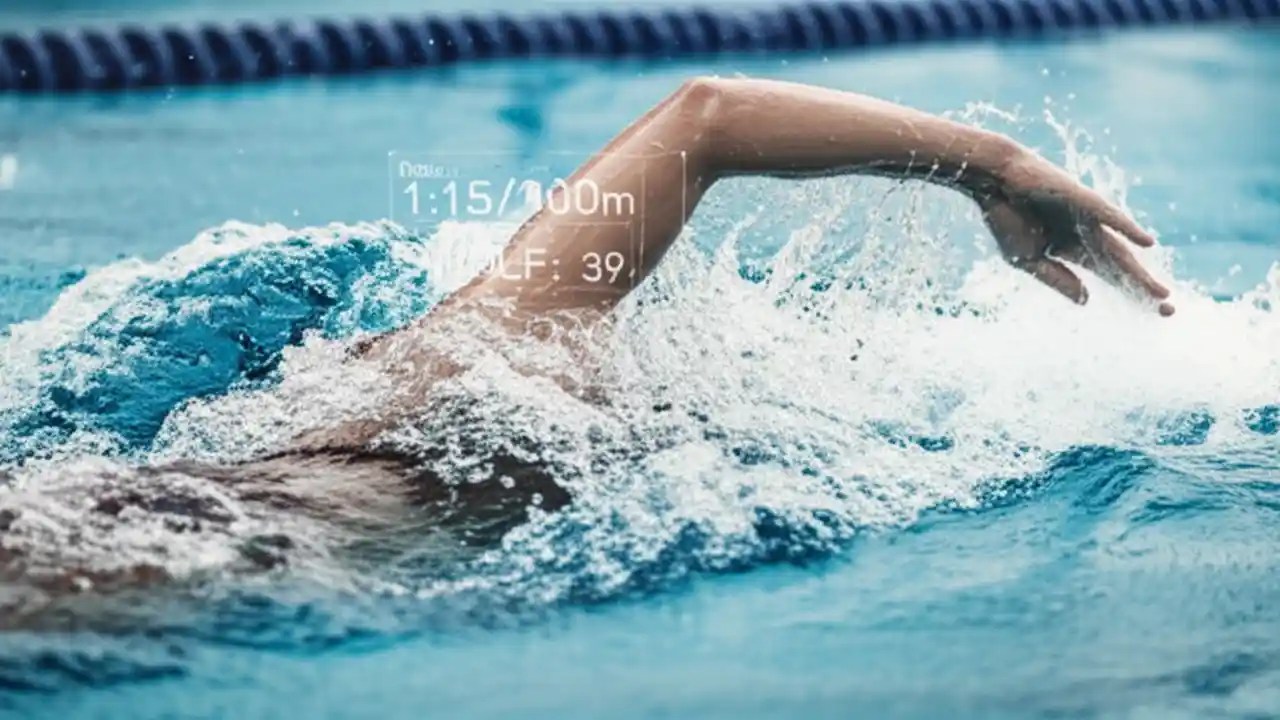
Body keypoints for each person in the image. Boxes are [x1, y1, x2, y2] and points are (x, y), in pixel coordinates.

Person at [0, 77, 1175, 622]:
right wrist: (1002, 166)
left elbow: (702, 118)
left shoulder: (431, 361)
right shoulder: (491, 372)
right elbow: (704, 114)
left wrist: (993, 167)